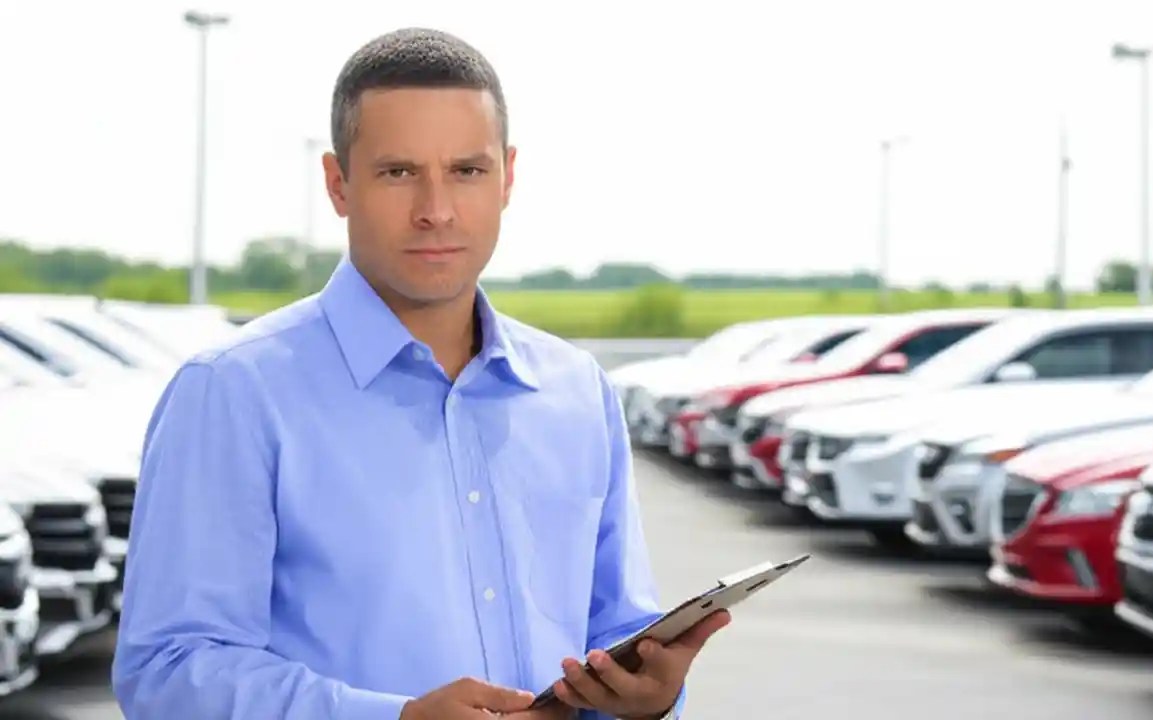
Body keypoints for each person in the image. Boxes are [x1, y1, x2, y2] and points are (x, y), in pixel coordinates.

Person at [112, 27, 728, 720]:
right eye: (399, 172)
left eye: (467, 171)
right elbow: (168, 673)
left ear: (508, 177)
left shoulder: (575, 390)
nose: (436, 209)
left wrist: (652, 696)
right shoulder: (233, 391)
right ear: (338, 184)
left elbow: (615, 627)